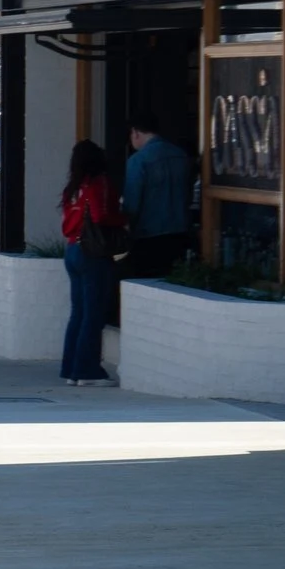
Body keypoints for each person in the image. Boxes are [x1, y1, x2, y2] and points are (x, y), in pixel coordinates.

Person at [58, 138, 125, 386]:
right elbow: (101, 215)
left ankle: (71, 368)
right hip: (92, 253)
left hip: (73, 250)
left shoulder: (72, 188)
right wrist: (123, 219)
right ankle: (87, 370)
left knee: (78, 312)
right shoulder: (98, 183)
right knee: (93, 313)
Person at [119, 115, 193, 279]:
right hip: (179, 232)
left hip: (149, 236)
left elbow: (132, 203)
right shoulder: (180, 155)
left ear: (135, 132)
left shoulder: (138, 161)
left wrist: (126, 229)